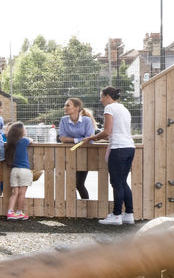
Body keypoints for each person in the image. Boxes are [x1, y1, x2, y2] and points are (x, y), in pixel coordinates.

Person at [90, 86, 134, 225]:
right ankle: (129, 214)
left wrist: (92, 137)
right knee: (122, 182)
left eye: (101, 97)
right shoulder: (124, 109)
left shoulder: (109, 108)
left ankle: (116, 215)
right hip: (129, 147)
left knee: (117, 183)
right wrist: (99, 136)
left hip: (118, 149)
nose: (100, 100)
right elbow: (115, 131)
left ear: (108, 96)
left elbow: (107, 131)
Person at [56, 97, 96, 200]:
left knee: (79, 184)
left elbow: (90, 139)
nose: (64, 107)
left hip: (84, 155)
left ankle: (85, 205)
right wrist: (80, 139)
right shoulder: (64, 120)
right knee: (71, 184)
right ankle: (73, 207)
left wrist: (72, 140)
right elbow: (62, 138)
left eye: (68, 105)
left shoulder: (87, 120)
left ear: (77, 108)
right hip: (69, 155)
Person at [3, 122, 32, 220]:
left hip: (14, 171)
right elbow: (31, 140)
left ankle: (10, 212)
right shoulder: (24, 140)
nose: (25, 130)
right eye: (24, 129)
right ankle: (19, 212)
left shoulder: (11, 143)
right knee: (22, 193)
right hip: (24, 170)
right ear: (20, 132)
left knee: (14, 193)